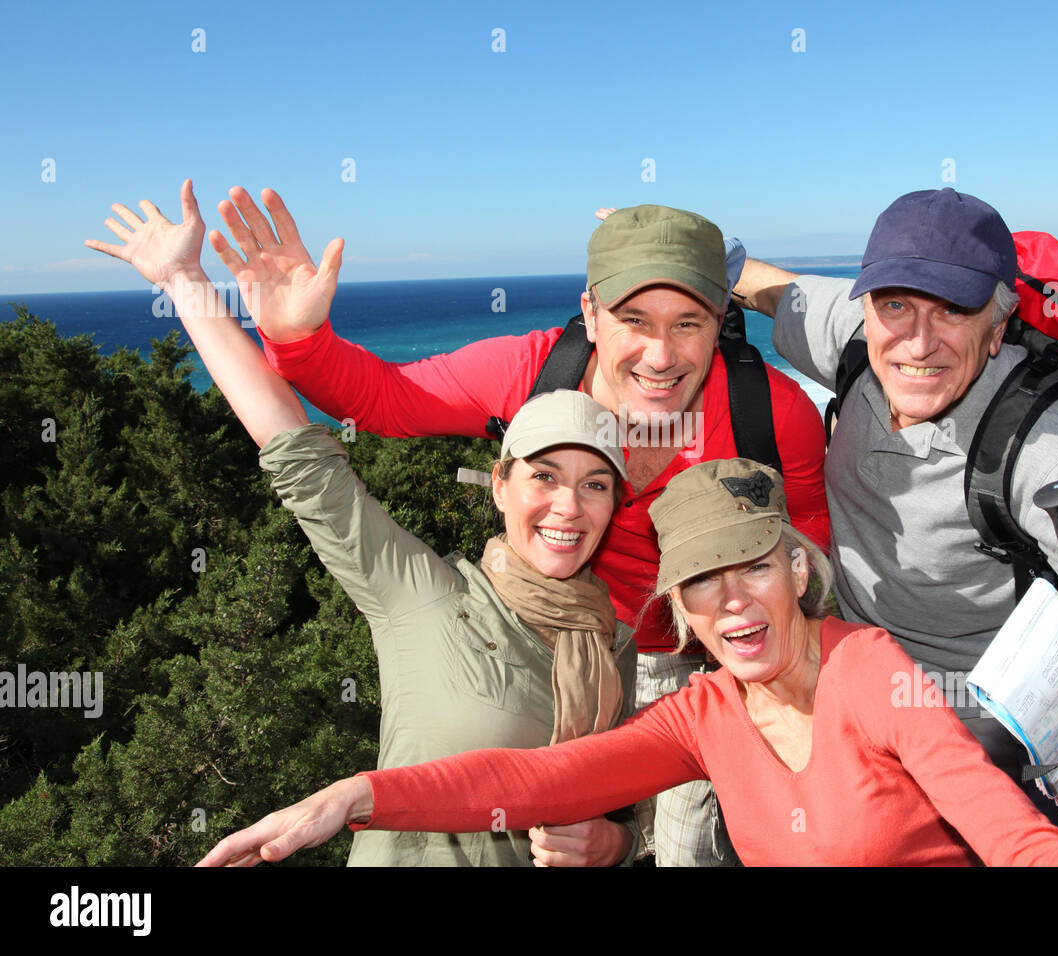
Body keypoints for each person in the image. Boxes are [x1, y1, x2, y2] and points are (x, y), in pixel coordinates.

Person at [209, 190, 832, 865]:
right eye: (634, 320)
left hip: (707, 653)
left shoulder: (770, 414)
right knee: (538, 815)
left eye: (688, 323)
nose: (660, 355)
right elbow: (382, 400)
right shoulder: (533, 372)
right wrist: (298, 338)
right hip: (572, 642)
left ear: (721, 320)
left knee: (685, 849)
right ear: (591, 314)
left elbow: (806, 548)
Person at [85, 181, 642, 866]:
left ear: (615, 505)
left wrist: (611, 842)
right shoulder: (426, 597)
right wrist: (184, 279)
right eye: (544, 477)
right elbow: (296, 451)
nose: (567, 507)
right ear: (500, 486)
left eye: (594, 485)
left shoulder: (614, 647)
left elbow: (633, 810)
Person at [197, 458, 1058, 868]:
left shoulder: (871, 672)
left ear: (796, 569)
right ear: (684, 619)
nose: (732, 600)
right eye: (703, 583)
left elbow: (1011, 837)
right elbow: (538, 779)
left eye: (752, 567)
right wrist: (355, 796)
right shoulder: (704, 718)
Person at [730, 187, 1058, 864]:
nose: (916, 339)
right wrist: (669, 252)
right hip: (854, 703)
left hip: (990, 743)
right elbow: (769, 288)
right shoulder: (858, 338)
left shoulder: (1039, 446)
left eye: (954, 311)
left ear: (997, 329)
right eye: (897, 304)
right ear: (868, 305)